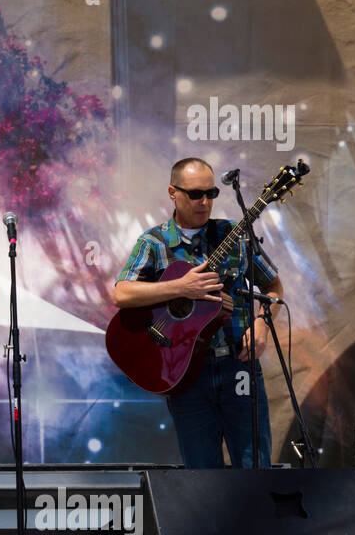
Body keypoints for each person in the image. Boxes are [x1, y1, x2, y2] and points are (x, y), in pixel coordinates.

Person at [113, 156, 283, 468]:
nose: (204, 202)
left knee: (256, 470)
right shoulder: (154, 242)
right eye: (194, 194)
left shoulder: (235, 235)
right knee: (203, 478)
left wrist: (262, 324)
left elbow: (273, 287)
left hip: (239, 367)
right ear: (172, 192)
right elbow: (122, 293)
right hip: (187, 374)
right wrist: (181, 288)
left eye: (211, 194)